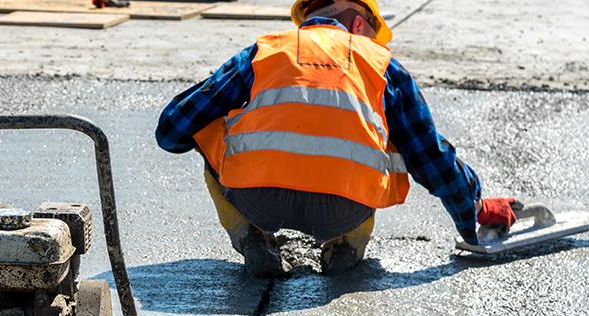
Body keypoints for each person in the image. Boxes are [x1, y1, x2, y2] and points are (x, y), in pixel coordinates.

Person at [155, 0, 517, 277]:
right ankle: (345, 245)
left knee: (205, 126)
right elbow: (432, 159)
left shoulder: (265, 51)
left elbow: (170, 130)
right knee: (385, 128)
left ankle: (253, 237)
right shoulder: (382, 65)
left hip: (258, 201)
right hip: (345, 209)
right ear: (359, 23)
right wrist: (473, 214)